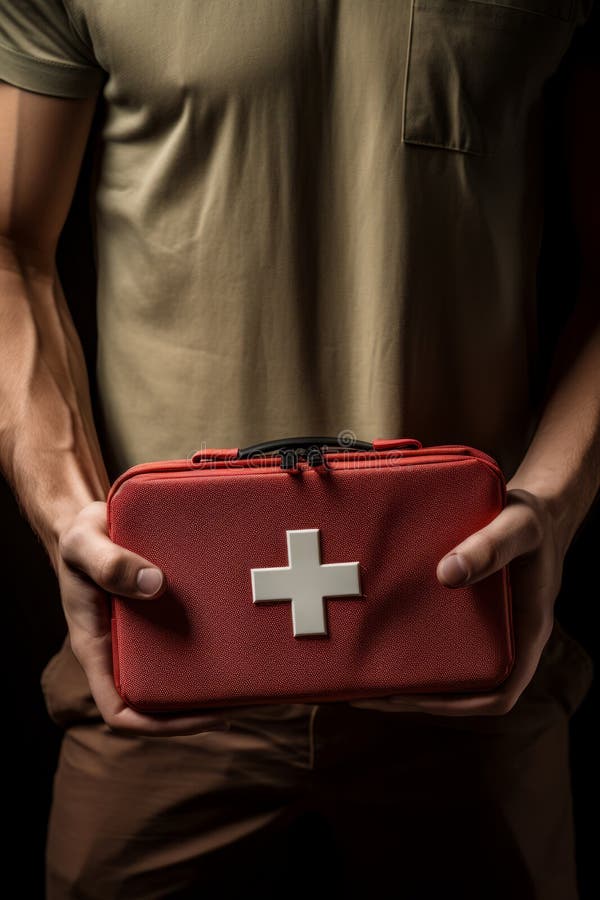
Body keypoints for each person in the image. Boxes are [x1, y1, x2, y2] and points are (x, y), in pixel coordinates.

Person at [0, 1, 598, 897]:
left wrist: (550, 503)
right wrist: (65, 518)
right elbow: (11, 247)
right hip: (164, 647)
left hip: (469, 639)